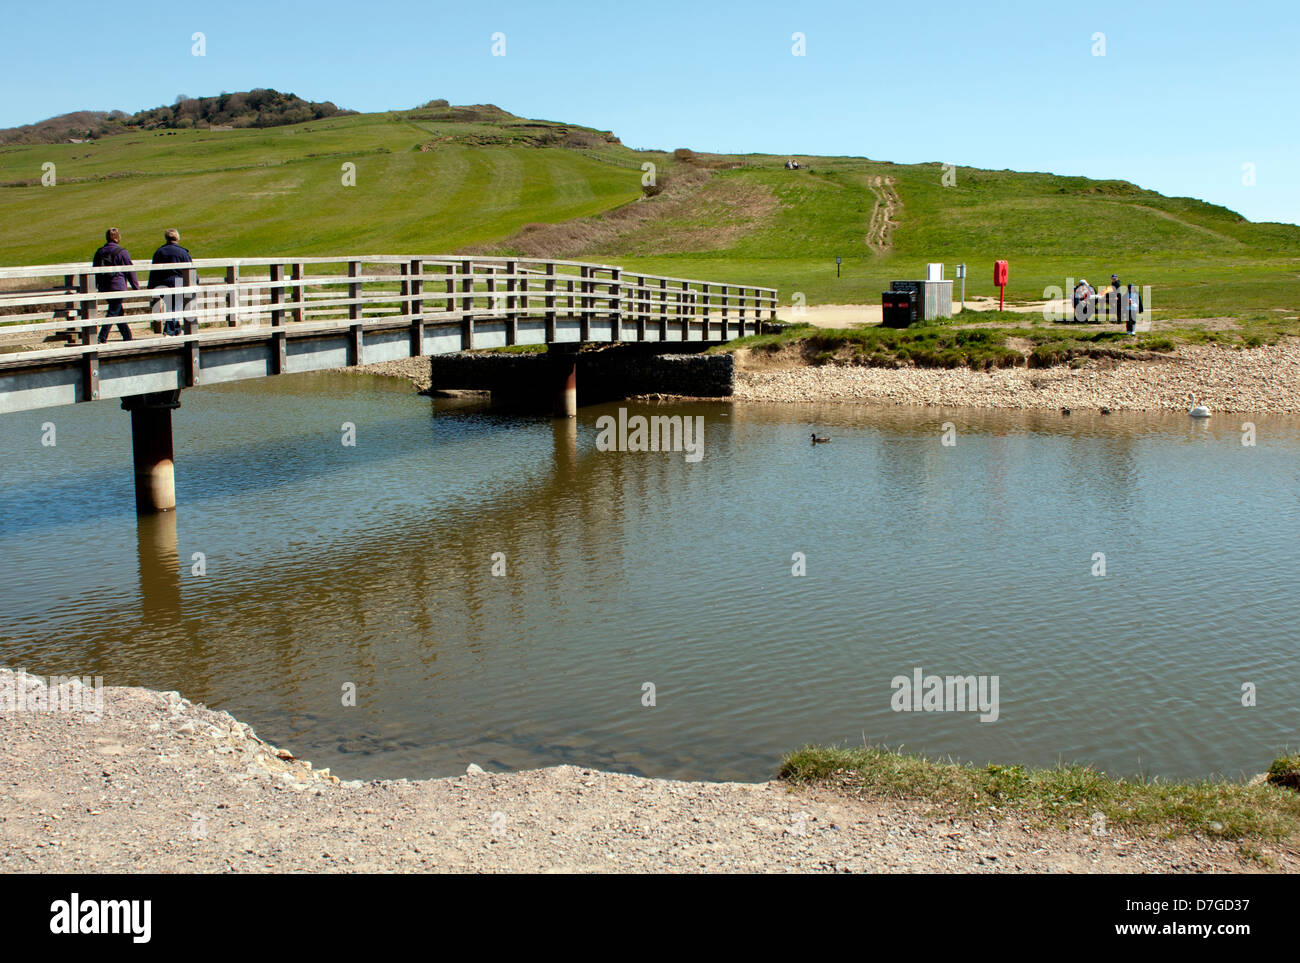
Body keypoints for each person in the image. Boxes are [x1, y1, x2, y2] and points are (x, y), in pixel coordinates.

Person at [92, 228, 139, 343]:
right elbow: (130, 270)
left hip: (104, 286)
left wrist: (96, 286)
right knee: (113, 311)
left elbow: (95, 270)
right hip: (118, 286)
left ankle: (127, 336)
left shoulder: (99, 252)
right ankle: (102, 337)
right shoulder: (122, 252)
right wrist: (136, 287)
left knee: (117, 310)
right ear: (118, 237)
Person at [148, 228, 194, 336]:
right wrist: (195, 281)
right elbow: (190, 269)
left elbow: (153, 271)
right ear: (177, 238)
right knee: (175, 307)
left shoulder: (159, 252)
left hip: (162, 283)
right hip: (178, 282)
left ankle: (177, 330)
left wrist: (151, 285)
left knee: (172, 307)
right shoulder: (183, 252)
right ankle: (168, 331)